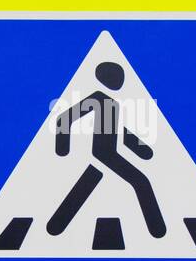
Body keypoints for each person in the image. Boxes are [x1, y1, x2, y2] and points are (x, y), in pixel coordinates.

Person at [46, 61, 166, 238]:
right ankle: (158, 231)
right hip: (103, 154)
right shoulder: (98, 99)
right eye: (116, 77)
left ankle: (54, 227)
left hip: (108, 154)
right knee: (141, 182)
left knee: (84, 188)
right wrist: (63, 149)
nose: (120, 81)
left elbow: (119, 131)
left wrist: (143, 150)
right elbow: (64, 119)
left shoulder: (114, 103)